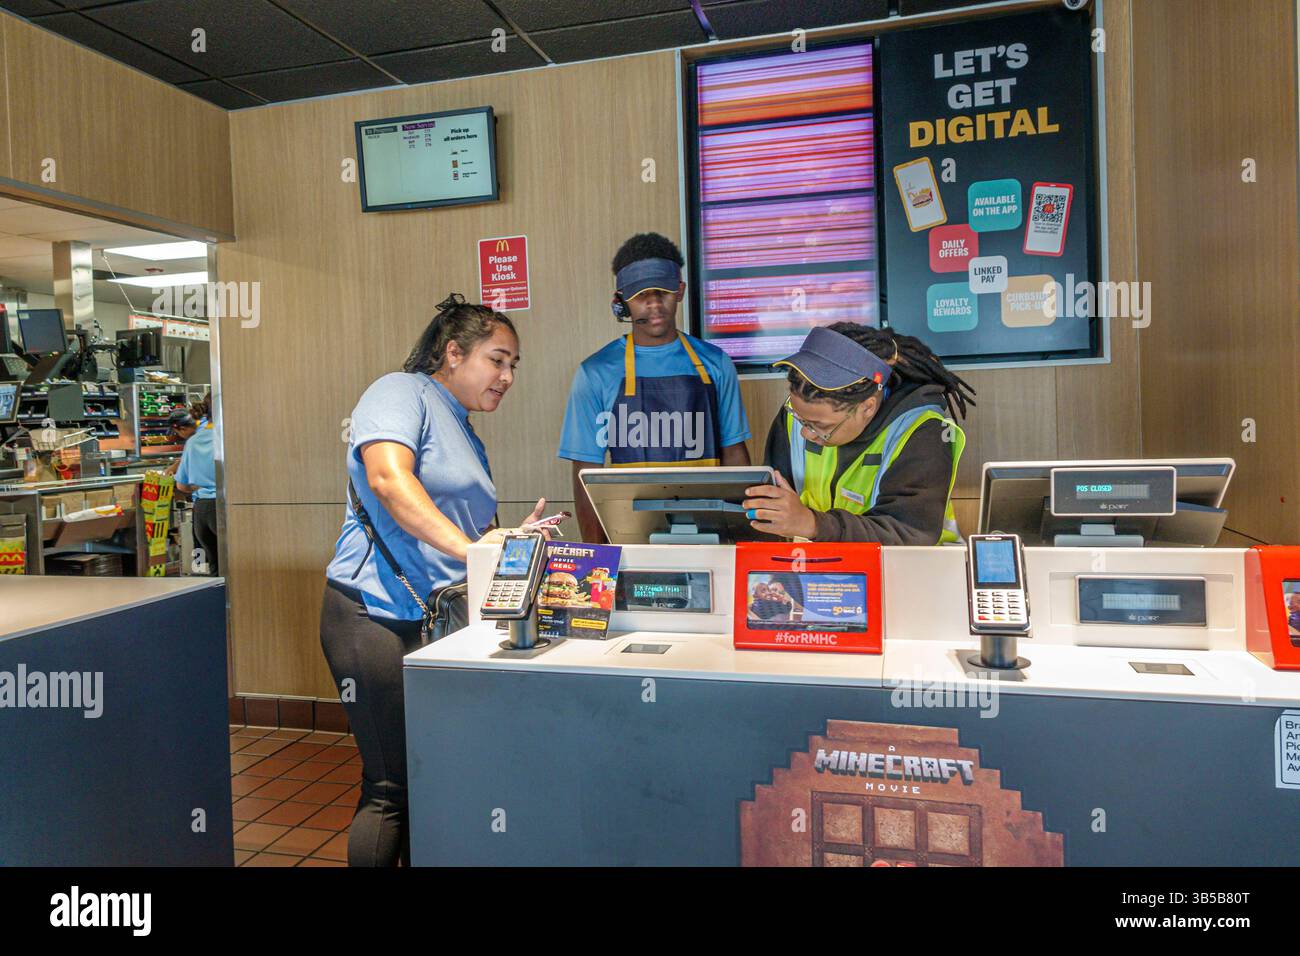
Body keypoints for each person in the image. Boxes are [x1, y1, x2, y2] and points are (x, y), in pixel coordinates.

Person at [321, 293, 549, 868]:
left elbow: (469, 532)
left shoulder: (463, 425)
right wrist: (475, 549)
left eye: (513, 366)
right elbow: (389, 482)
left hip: (437, 619)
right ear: (452, 352)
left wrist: (506, 542)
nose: (507, 376)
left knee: (433, 778)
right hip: (373, 613)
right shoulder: (399, 392)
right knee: (392, 786)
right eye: (498, 360)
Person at [559, 232, 751, 543]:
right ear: (621, 301)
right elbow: (586, 475)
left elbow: (734, 453)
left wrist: (746, 536)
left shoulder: (716, 364)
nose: (653, 303)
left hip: (712, 532)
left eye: (662, 291)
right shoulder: (595, 372)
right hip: (631, 533)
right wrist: (597, 558)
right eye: (640, 294)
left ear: (680, 291)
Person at [744, 323, 975, 545]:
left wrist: (813, 524)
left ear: (867, 407)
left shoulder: (921, 430)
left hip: (913, 570)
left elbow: (908, 532)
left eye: (820, 426)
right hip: (818, 572)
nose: (805, 432)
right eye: (800, 418)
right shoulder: (799, 414)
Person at [173, 394, 218, 574]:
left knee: (216, 570)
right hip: (223, 509)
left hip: (201, 513)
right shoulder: (230, 437)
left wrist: (201, 486)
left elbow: (182, 486)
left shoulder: (193, 441)